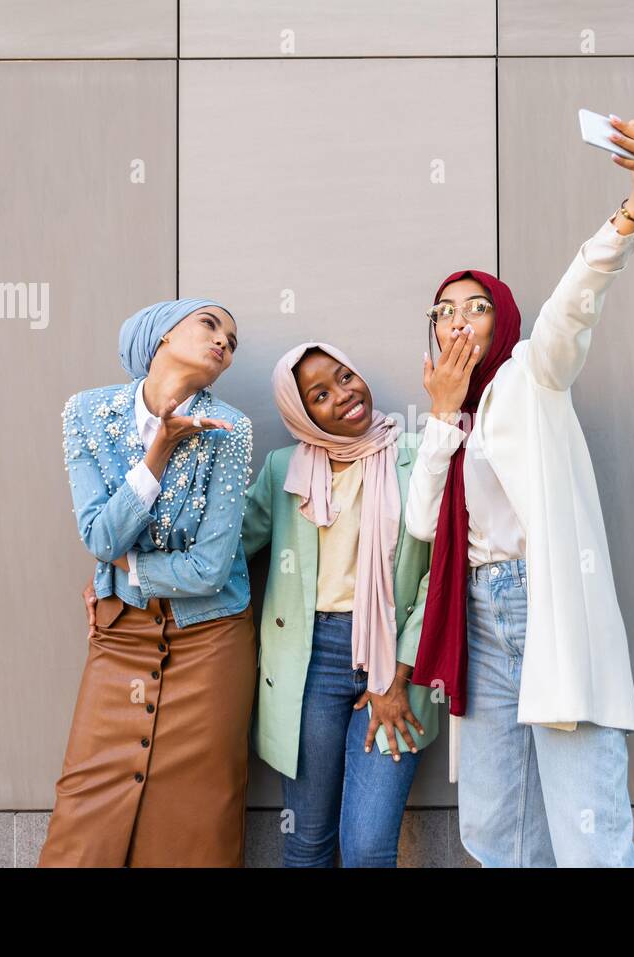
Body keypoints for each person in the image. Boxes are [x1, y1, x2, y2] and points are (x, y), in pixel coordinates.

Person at [404, 115, 634, 867]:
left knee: (589, 838)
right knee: (496, 831)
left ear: (504, 317)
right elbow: (422, 525)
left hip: (543, 601)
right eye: (444, 310)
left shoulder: (532, 373)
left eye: (476, 305)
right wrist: (440, 417)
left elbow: (575, 300)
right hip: (478, 621)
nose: (458, 320)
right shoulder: (447, 416)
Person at [44, 297, 255, 867]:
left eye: (232, 342)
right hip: (120, 635)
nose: (223, 344)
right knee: (87, 796)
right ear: (160, 336)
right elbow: (99, 538)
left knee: (195, 812)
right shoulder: (85, 413)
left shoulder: (230, 430)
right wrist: (158, 452)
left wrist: (129, 571)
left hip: (212, 637)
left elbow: (209, 570)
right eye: (210, 325)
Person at [240, 342, 438, 866]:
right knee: (307, 843)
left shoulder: (417, 454)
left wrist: (399, 677)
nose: (344, 394)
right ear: (302, 414)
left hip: (395, 656)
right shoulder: (284, 470)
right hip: (310, 661)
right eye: (320, 394)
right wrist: (118, 570)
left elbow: (439, 578)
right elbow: (227, 553)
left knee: (368, 848)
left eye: (346, 376)